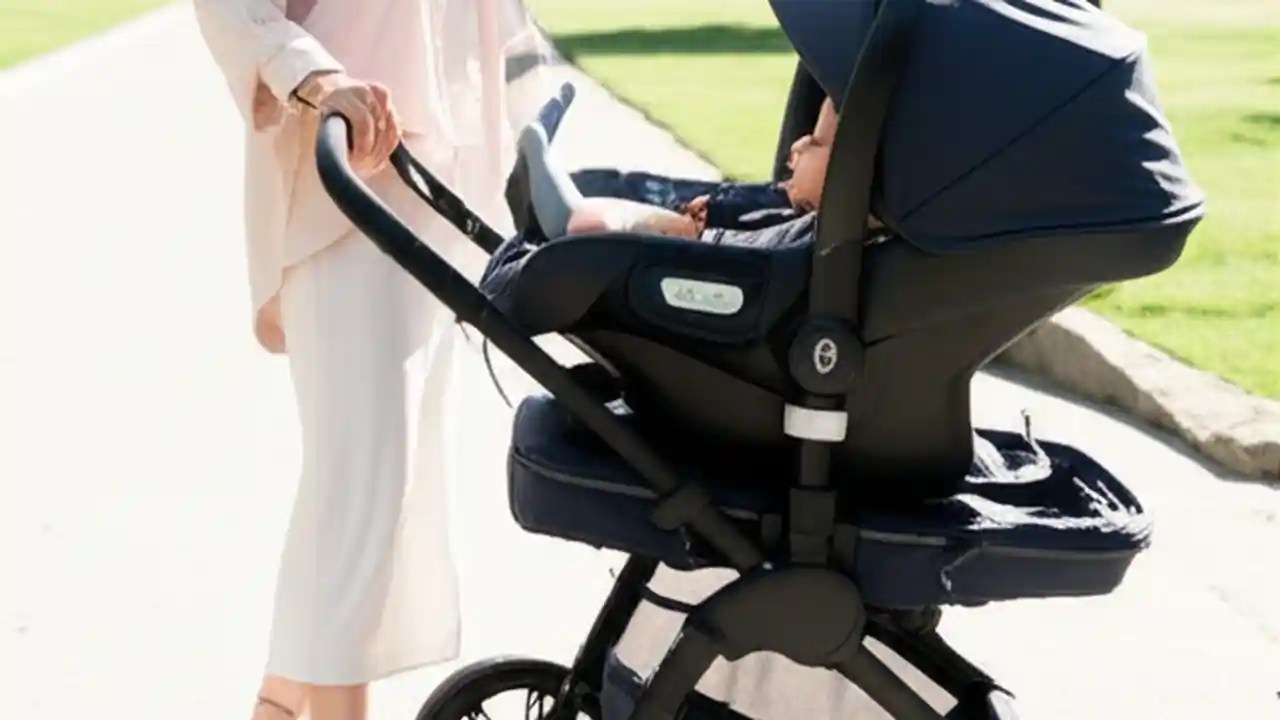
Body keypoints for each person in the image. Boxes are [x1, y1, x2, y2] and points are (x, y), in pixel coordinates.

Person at [191, 1, 548, 719]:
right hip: (341, 178)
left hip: (439, 185)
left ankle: (281, 705)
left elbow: (509, 34)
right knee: (360, 482)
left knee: (381, 483)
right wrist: (320, 83)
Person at [518, 98, 840, 241]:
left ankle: (580, 214)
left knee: (686, 221)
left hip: (786, 220)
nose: (796, 147)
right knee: (678, 201)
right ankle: (576, 198)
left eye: (812, 143)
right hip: (790, 206)